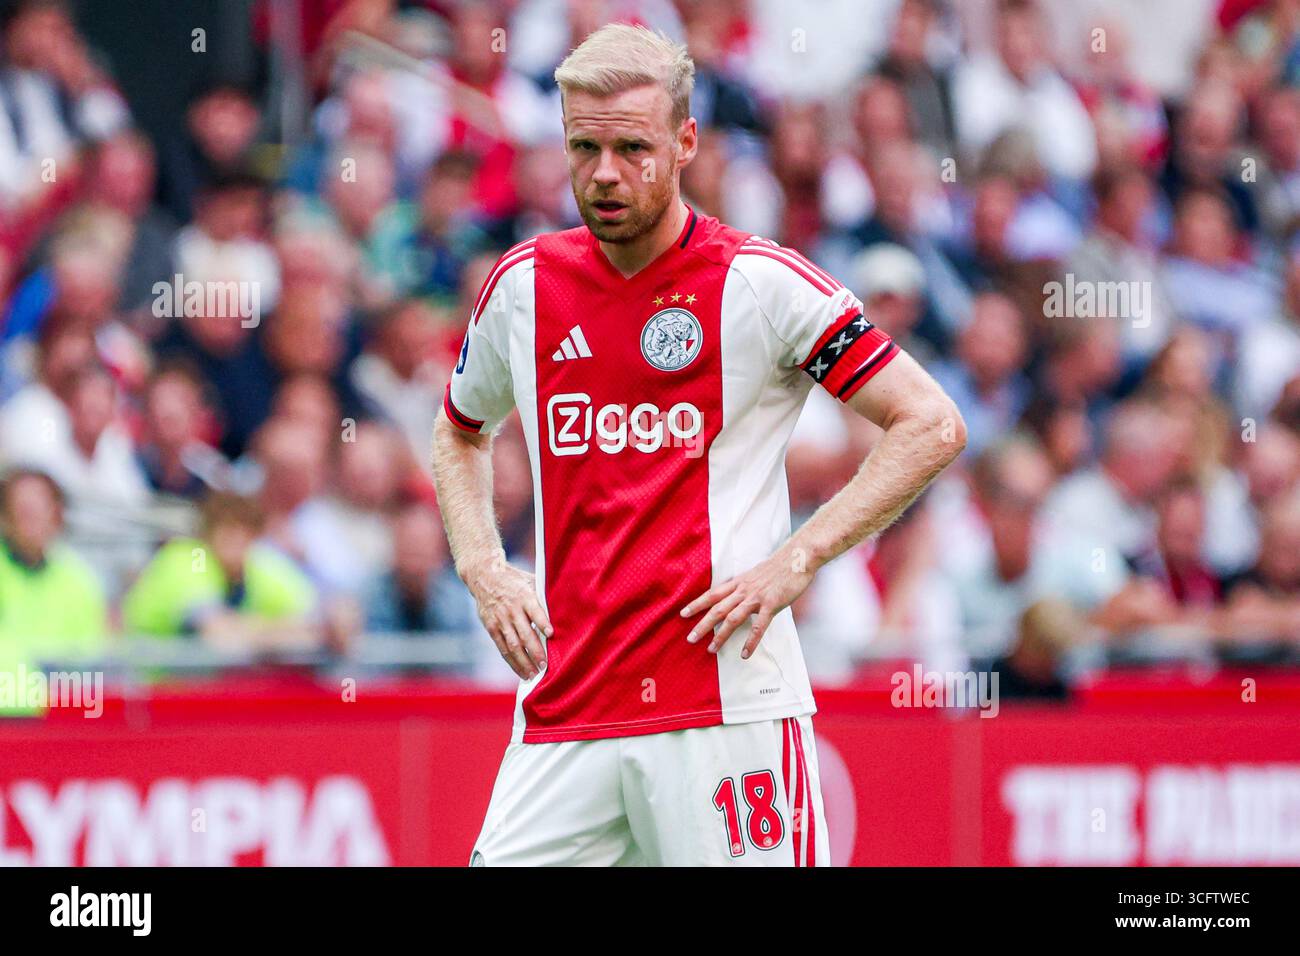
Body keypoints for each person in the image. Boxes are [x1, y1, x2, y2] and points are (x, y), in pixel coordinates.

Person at [432, 25, 966, 868]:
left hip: (729, 714)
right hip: (566, 714)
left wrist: (802, 557)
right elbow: (458, 432)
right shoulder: (523, 287)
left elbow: (932, 423)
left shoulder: (760, 283)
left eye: (632, 147)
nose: (605, 173)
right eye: (585, 147)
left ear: (685, 142)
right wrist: (483, 567)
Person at [121, 491, 319, 651]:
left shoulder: (258, 565)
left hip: (203, 690)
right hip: (147, 689)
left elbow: (315, 629)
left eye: (246, 532)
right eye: (228, 531)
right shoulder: (189, 558)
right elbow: (220, 636)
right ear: (207, 534)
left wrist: (253, 631)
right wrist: (277, 631)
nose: (237, 541)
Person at [0, 468, 107, 673]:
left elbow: (91, 657)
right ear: (6, 516)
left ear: (56, 515)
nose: (31, 522)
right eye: (23, 513)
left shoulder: (79, 580)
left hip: (64, 698)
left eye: (37, 512)